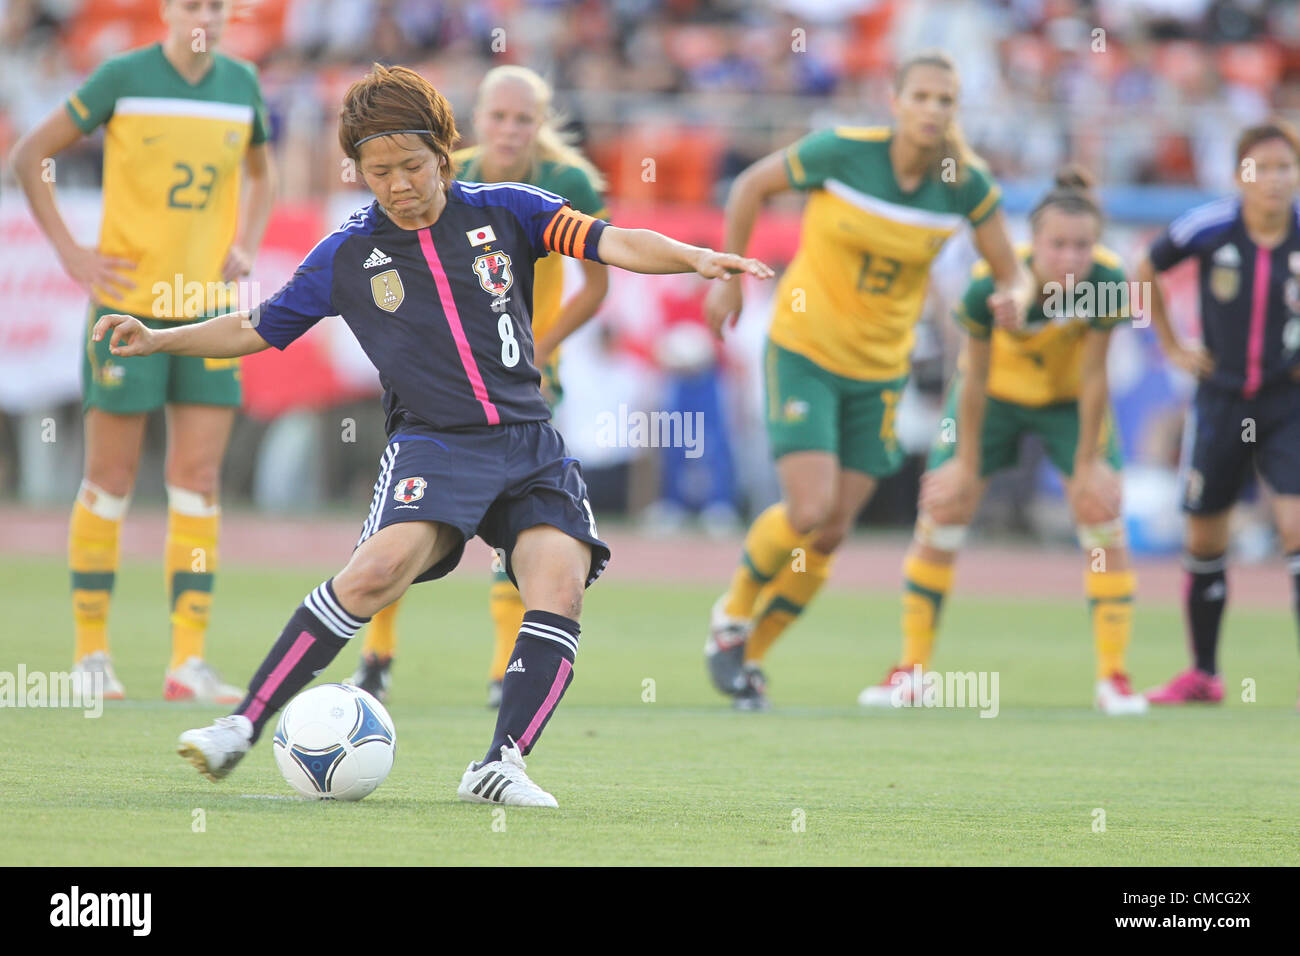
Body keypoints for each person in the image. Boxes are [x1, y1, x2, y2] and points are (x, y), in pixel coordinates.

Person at [94, 64, 772, 806]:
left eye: (412, 166)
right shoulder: (347, 254)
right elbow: (254, 326)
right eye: (378, 171)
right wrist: (160, 339)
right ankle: (242, 725)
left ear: (444, 156)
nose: (398, 184)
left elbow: (611, 243)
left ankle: (501, 763)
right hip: (434, 445)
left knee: (560, 586)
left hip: (527, 441)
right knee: (375, 573)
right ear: (357, 170)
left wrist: (695, 257)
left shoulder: (508, 209)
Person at [703, 49, 1029, 710]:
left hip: (880, 374)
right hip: (805, 352)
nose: (934, 110)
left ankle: (750, 662)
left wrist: (1015, 294)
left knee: (830, 533)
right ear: (895, 101)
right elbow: (749, 187)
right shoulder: (840, 151)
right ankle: (731, 616)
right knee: (809, 508)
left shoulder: (963, 184)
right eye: (923, 97)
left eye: (946, 100)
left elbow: (1009, 267)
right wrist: (731, 278)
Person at [9, 0, 274, 702]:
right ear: (166, 10)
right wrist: (73, 255)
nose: (206, 16)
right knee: (111, 478)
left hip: (210, 312)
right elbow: (29, 153)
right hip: (128, 308)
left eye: (217, 6)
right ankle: (91, 654)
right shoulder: (123, 75)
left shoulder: (242, 83)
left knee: (199, 481)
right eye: (193, 3)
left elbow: (263, 174)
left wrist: (246, 239)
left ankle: (187, 661)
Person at [348, 65, 610, 709]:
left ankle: (502, 670)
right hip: (452, 383)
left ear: (541, 123)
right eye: (499, 116)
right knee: (408, 520)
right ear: (477, 120)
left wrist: (541, 350)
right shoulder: (443, 173)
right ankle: (375, 655)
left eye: (524, 118)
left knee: (525, 527)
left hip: (529, 379)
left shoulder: (567, 182)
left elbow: (597, 283)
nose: (511, 129)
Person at [859, 167, 1148, 714]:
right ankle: (912, 670)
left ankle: (1114, 676)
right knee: (945, 507)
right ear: (1032, 244)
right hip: (991, 399)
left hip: (1068, 402)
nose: (1070, 258)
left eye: (1082, 246)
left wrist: (1090, 464)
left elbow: (1094, 379)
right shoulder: (989, 283)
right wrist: (964, 463)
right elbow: (970, 376)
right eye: (1057, 245)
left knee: (1100, 510)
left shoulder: (1110, 283)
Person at [1140, 121, 1300, 706]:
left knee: (1295, 531)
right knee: (1205, 538)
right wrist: (1174, 346)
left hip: (1288, 404)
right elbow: (1146, 266)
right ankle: (1204, 674)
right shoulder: (1209, 227)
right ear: (1240, 177)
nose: (1276, 179)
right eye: (1263, 169)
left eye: (1287, 167)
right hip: (1221, 400)